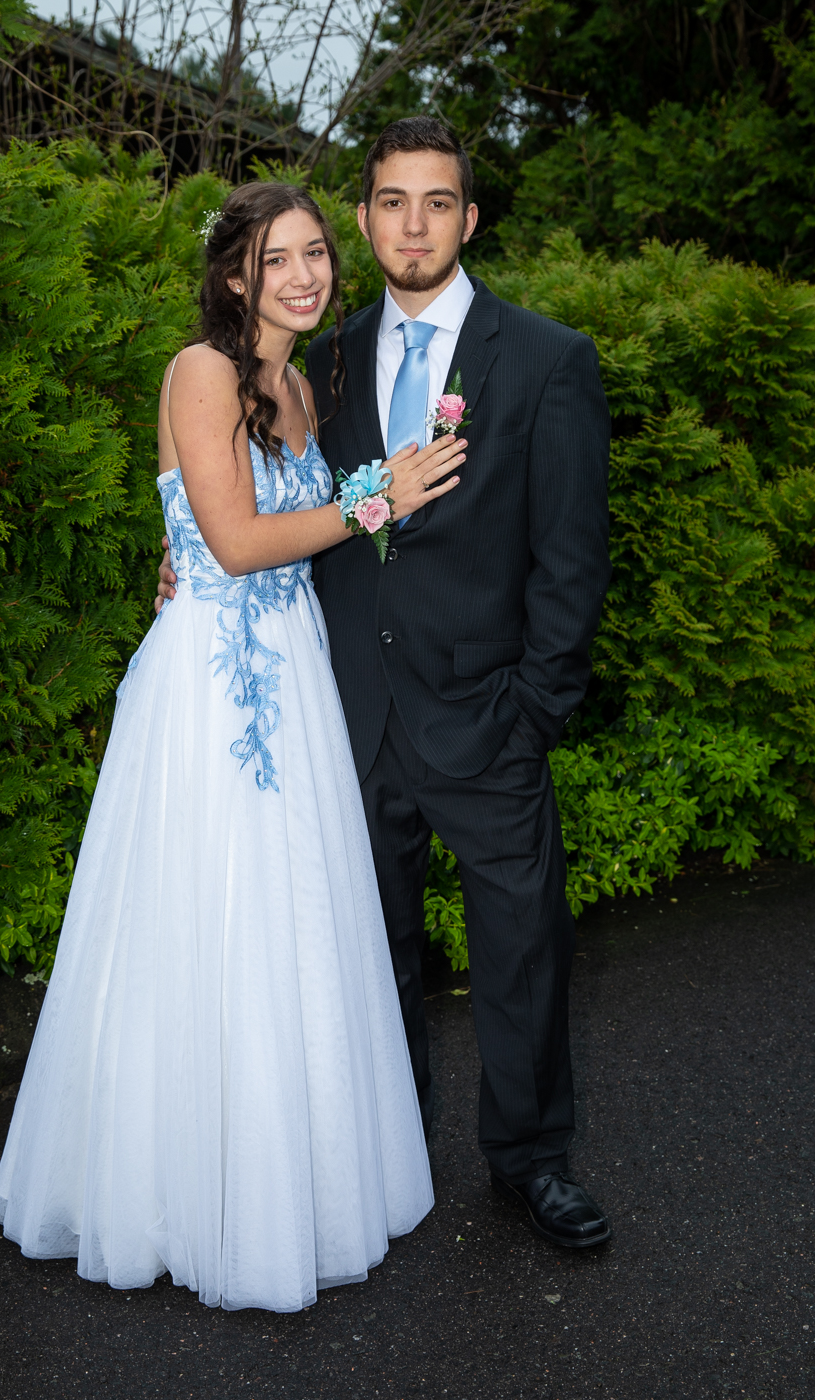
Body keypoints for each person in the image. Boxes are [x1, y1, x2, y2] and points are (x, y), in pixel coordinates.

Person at [0, 181, 467, 1311]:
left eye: (315, 254)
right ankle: (178, 1198)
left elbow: (285, 540)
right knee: (207, 915)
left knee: (294, 915)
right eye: (276, 259)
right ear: (233, 276)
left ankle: (296, 1184)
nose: (304, 276)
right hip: (212, 685)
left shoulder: (298, 384)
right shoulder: (200, 371)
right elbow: (238, 541)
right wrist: (379, 501)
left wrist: (371, 493)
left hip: (293, 670)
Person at [159, 119, 615, 1249]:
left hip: (488, 712)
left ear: (470, 219)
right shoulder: (319, 357)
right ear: (365, 220)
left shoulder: (547, 359)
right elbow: (249, 507)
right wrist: (183, 558)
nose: (415, 225)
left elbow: (571, 556)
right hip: (343, 709)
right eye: (393, 203)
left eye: (438, 202)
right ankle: (386, 1146)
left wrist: (535, 707)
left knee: (522, 942)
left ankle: (531, 1159)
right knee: (368, 953)